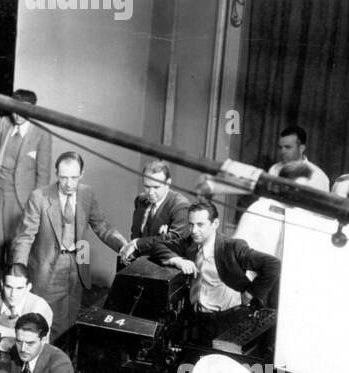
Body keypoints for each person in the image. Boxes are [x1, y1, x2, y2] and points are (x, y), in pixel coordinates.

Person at [10, 151, 128, 342]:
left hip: (77, 266)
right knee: (42, 324)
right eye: (63, 177)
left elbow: (102, 226)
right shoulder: (39, 197)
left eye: (74, 178)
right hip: (46, 269)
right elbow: (25, 237)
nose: (68, 183)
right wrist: (19, 270)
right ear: (56, 173)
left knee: (70, 323)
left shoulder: (87, 194)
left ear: (82, 174)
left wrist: (124, 246)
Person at [153, 199, 280, 345]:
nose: (194, 230)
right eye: (191, 224)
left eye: (200, 225)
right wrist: (178, 260)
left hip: (228, 322)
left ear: (215, 224)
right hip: (199, 322)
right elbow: (158, 245)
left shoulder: (232, 247)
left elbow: (273, 265)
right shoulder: (191, 243)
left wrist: (250, 294)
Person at [0, 90, 50, 250]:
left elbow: (43, 175)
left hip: (21, 199)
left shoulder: (42, 133)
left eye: (23, 111)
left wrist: (37, 205)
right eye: (15, 109)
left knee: (16, 247)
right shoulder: (4, 122)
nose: (17, 115)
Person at [118, 160, 190, 264]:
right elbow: (136, 233)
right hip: (140, 263)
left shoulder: (180, 205)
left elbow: (175, 239)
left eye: (156, 187)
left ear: (168, 183)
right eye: (147, 187)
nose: (151, 193)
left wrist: (137, 243)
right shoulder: (140, 200)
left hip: (168, 264)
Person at [0, 263, 53, 354]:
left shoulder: (39, 306)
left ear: (28, 287)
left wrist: (5, 332)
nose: (13, 294)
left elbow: (34, 340)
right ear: (2, 284)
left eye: (19, 288)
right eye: (8, 287)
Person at [266, 124, 329, 191]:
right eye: (280, 147)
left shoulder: (317, 176)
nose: (282, 152)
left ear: (301, 148)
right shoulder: (274, 169)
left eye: (288, 147)